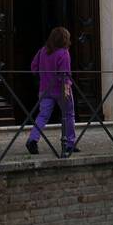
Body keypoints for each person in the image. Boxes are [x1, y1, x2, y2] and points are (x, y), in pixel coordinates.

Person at [26, 26, 77, 156]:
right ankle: (69, 143)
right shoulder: (64, 53)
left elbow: (33, 67)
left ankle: (32, 139)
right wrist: (66, 89)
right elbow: (65, 73)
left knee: (42, 115)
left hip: (44, 89)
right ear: (65, 39)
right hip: (61, 90)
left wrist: (43, 76)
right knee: (68, 115)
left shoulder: (42, 51)